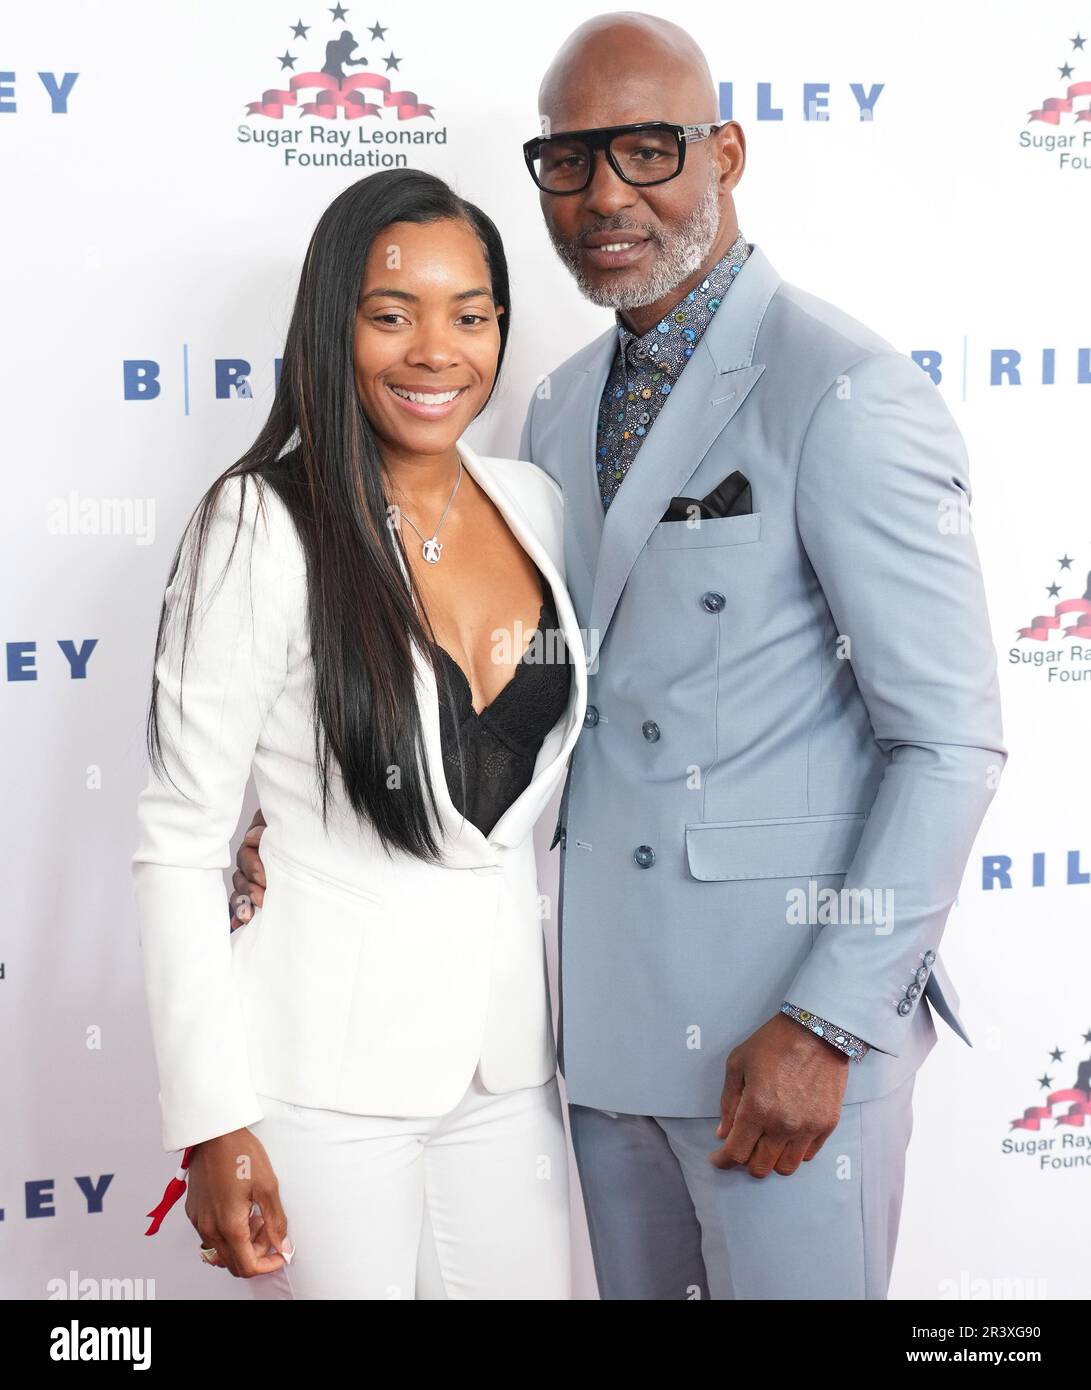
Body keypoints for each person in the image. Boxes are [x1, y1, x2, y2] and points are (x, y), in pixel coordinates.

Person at [236, 14, 1007, 1299]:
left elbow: (949, 739)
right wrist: (314, 812)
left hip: (782, 1039)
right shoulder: (551, 402)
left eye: (647, 151)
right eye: (570, 159)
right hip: (590, 1040)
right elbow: (528, 693)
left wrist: (827, 1021)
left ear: (726, 153)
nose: (604, 196)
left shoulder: (841, 387)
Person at [131, 168, 587, 1299]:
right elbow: (181, 840)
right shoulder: (261, 522)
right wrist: (211, 1120)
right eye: (393, 314)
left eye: (469, 315)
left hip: (506, 1069)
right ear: (333, 328)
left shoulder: (534, 504)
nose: (436, 351)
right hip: (317, 1078)